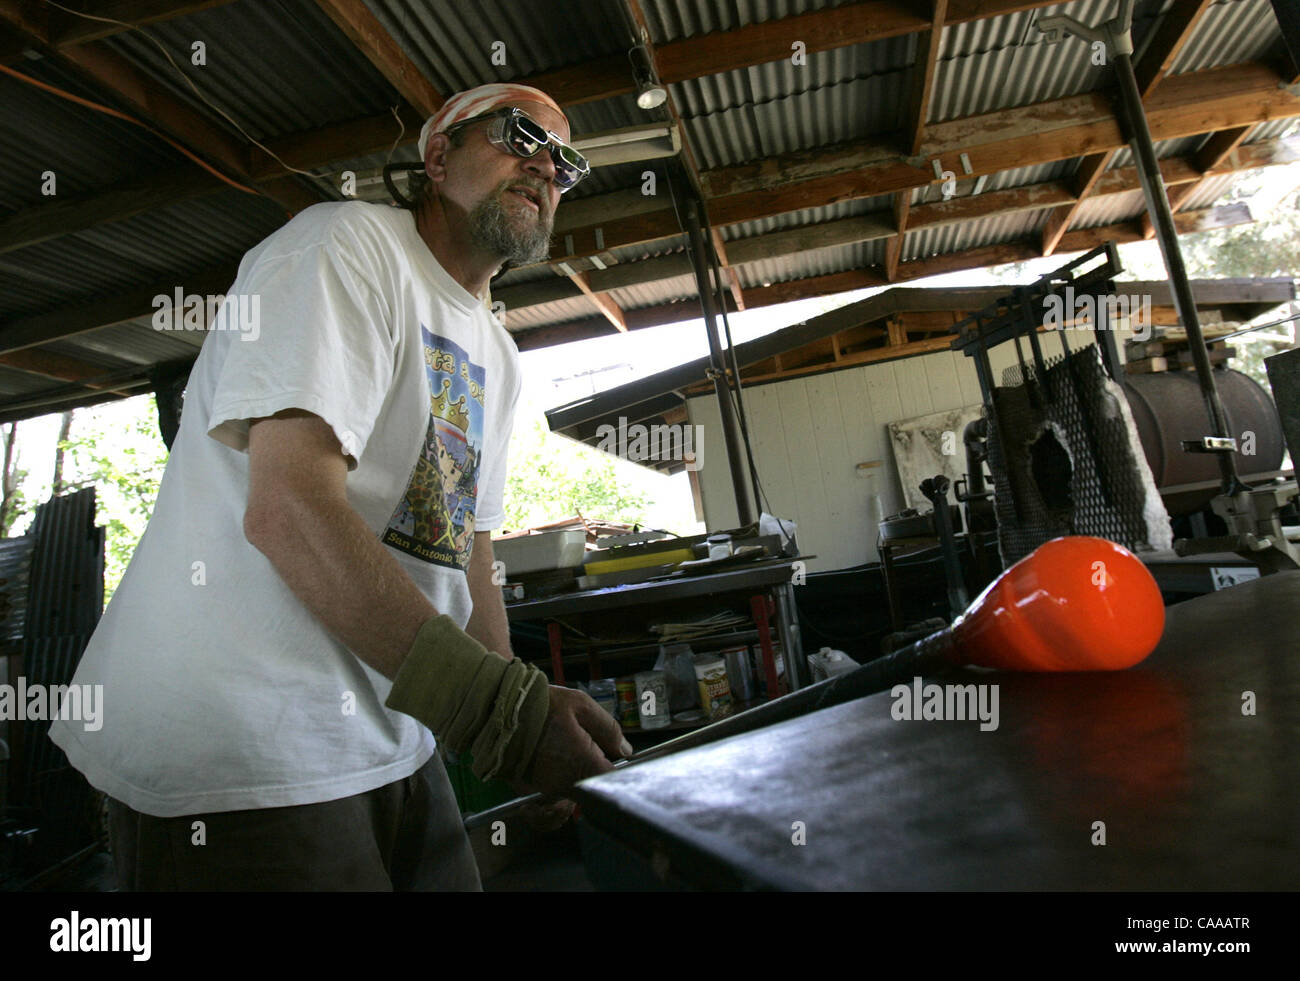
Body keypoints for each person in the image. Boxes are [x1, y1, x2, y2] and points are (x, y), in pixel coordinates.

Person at [49, 83, 629, 891]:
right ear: (437, 155)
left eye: (566, 161)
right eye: (521, 133)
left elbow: (470, 549)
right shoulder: (341, 249)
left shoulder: (496, 351)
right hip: (243, 743)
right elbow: (288, 509)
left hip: (393, 730)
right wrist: (499, 715)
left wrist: (513, 716)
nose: (544, 164)